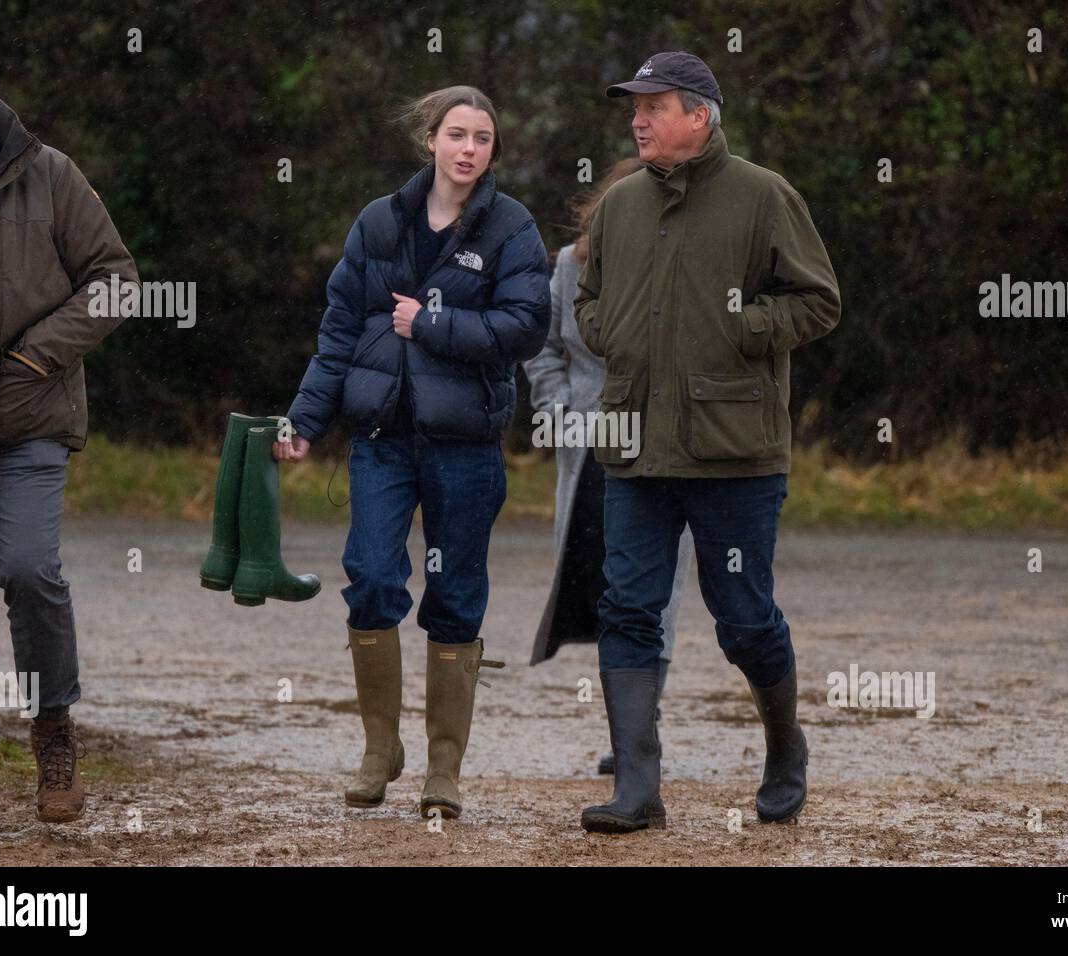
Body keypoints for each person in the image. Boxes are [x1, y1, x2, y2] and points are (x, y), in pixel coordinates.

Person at [575, 52, 841, 832]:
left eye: (654, 105)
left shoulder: (763, 196)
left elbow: (818, 301)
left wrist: (742, 327)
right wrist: (611, 336)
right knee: (626, 607)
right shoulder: (619, 206)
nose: (638, 119)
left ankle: (785, 746)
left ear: (701, 115)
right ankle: (636, 788)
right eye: (634, 107)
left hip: (735, 453)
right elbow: (588, 302)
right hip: (633, 447)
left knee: (743, 616)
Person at [278, 86, 550, 819]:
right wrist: (306, 418)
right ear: (429, 140)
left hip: (465, 443)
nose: (469, 149)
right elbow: (339, 330)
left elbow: (525, 326)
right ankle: (379, 749)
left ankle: (443, 768)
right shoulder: (379, 222)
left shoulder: (510, 227)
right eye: (456, 134)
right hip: (381, 439)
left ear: (494, 150)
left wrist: (431, 322)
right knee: (369, 577)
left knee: (456, 595)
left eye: (483, 138)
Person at [0, 43, 140, 844]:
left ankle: (53, 732)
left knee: (28, 570)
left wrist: (35, 354)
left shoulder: (49, 174)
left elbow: (118, 279)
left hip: (26, 415)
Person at [522, 158, 693, 775]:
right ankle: (626, 730)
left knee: (657, 590)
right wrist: (560, 410)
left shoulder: (684, 265)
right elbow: (542, 347)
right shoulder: (571, 266)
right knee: (601, 585)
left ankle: (637, 741)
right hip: (590, 443)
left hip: (665, 446)